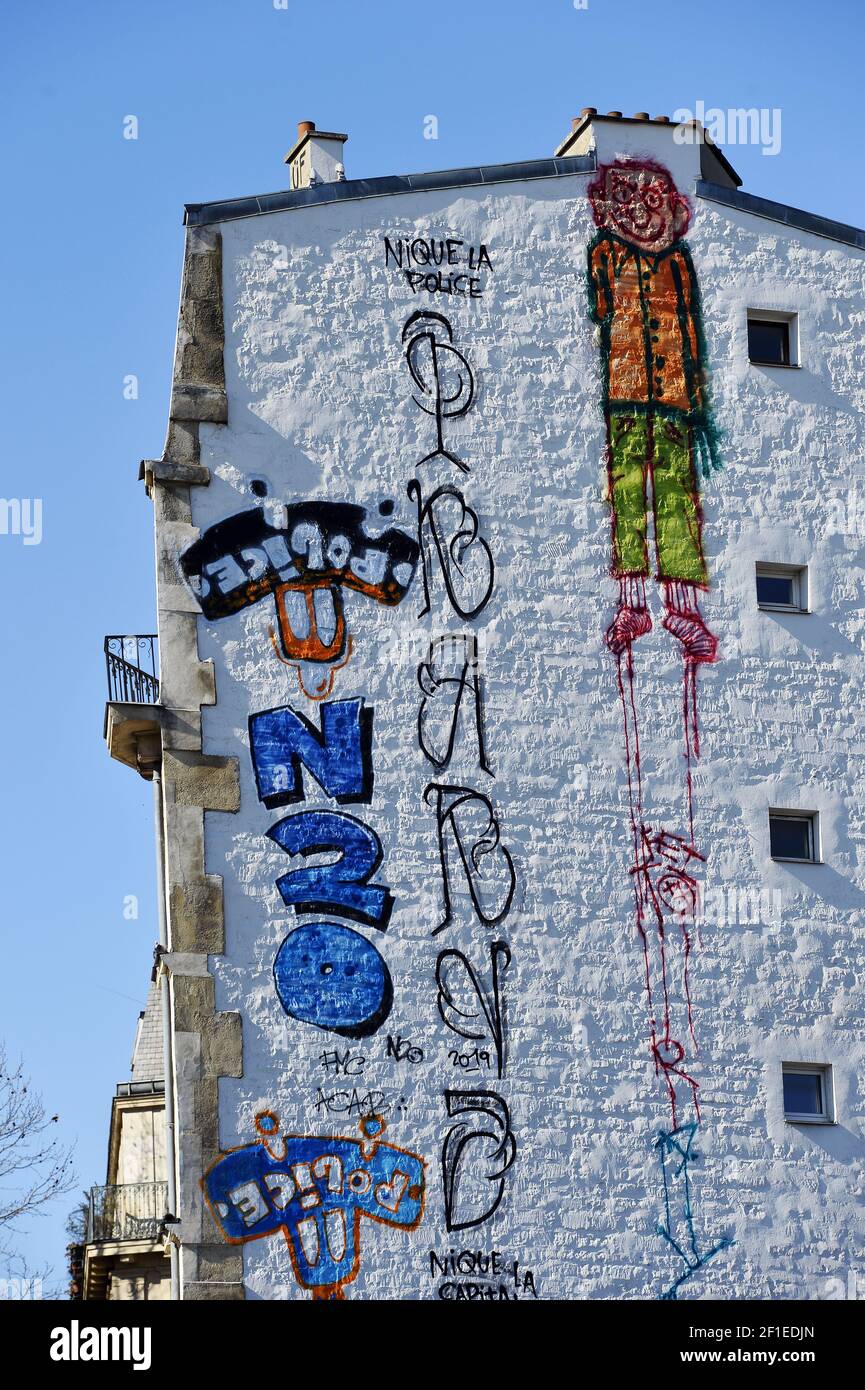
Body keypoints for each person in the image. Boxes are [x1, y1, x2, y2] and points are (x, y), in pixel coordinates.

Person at [586, 157, 720, 662]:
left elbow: (688, 333)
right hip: (622, 401)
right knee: (624, 497)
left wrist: (698, 404)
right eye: (627, 203)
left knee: (675, 500)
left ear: (671, 209)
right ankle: (633, 604)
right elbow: (600, 313)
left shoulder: (679, 263)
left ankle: (683, 612)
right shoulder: (605, 256)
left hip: (671, 403)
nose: (641, 216)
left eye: (651, 203)